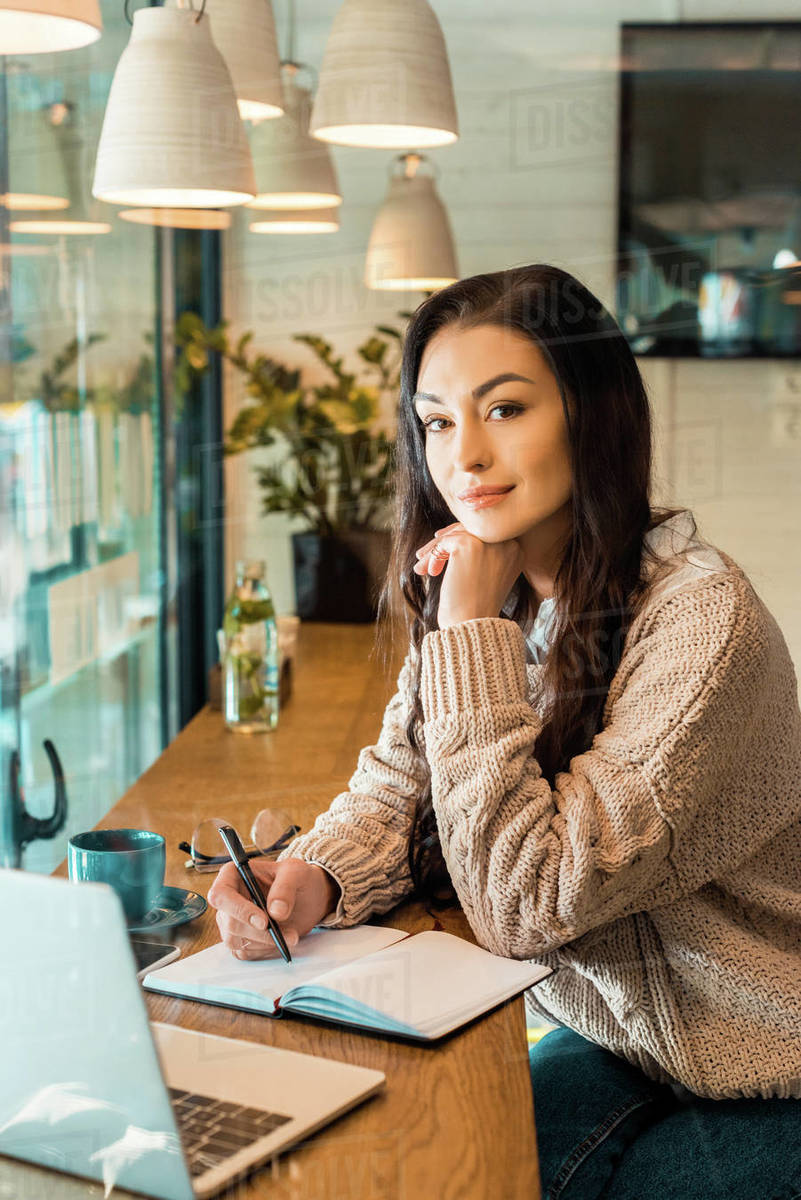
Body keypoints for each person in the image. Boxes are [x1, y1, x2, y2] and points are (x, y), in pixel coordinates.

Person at [208, 264, 801, 1198]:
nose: (465, 458)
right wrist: (313, 876)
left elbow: (528, 905)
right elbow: (398, 787)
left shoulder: (702, 622)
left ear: (590, 415)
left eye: (506, 409)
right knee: (418, 1163)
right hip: (613, 1033)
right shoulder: (495, 588)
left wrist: (471, 633)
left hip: (767, 1066)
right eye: (438, 421)